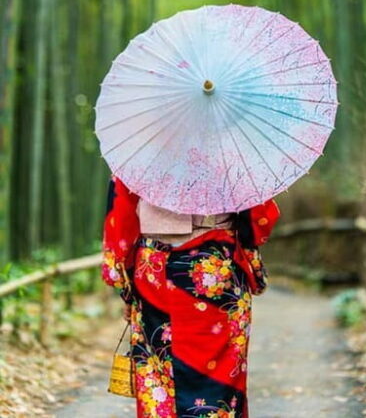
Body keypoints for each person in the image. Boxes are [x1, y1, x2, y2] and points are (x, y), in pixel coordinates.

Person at [101, 175, 279, 417]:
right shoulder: (229, 148)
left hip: (154, 268)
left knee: (158, 372)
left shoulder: (138, 150)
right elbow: (260, 216)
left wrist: (126, 287)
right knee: (220, 371)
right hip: (215, 266)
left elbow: (120, 218)